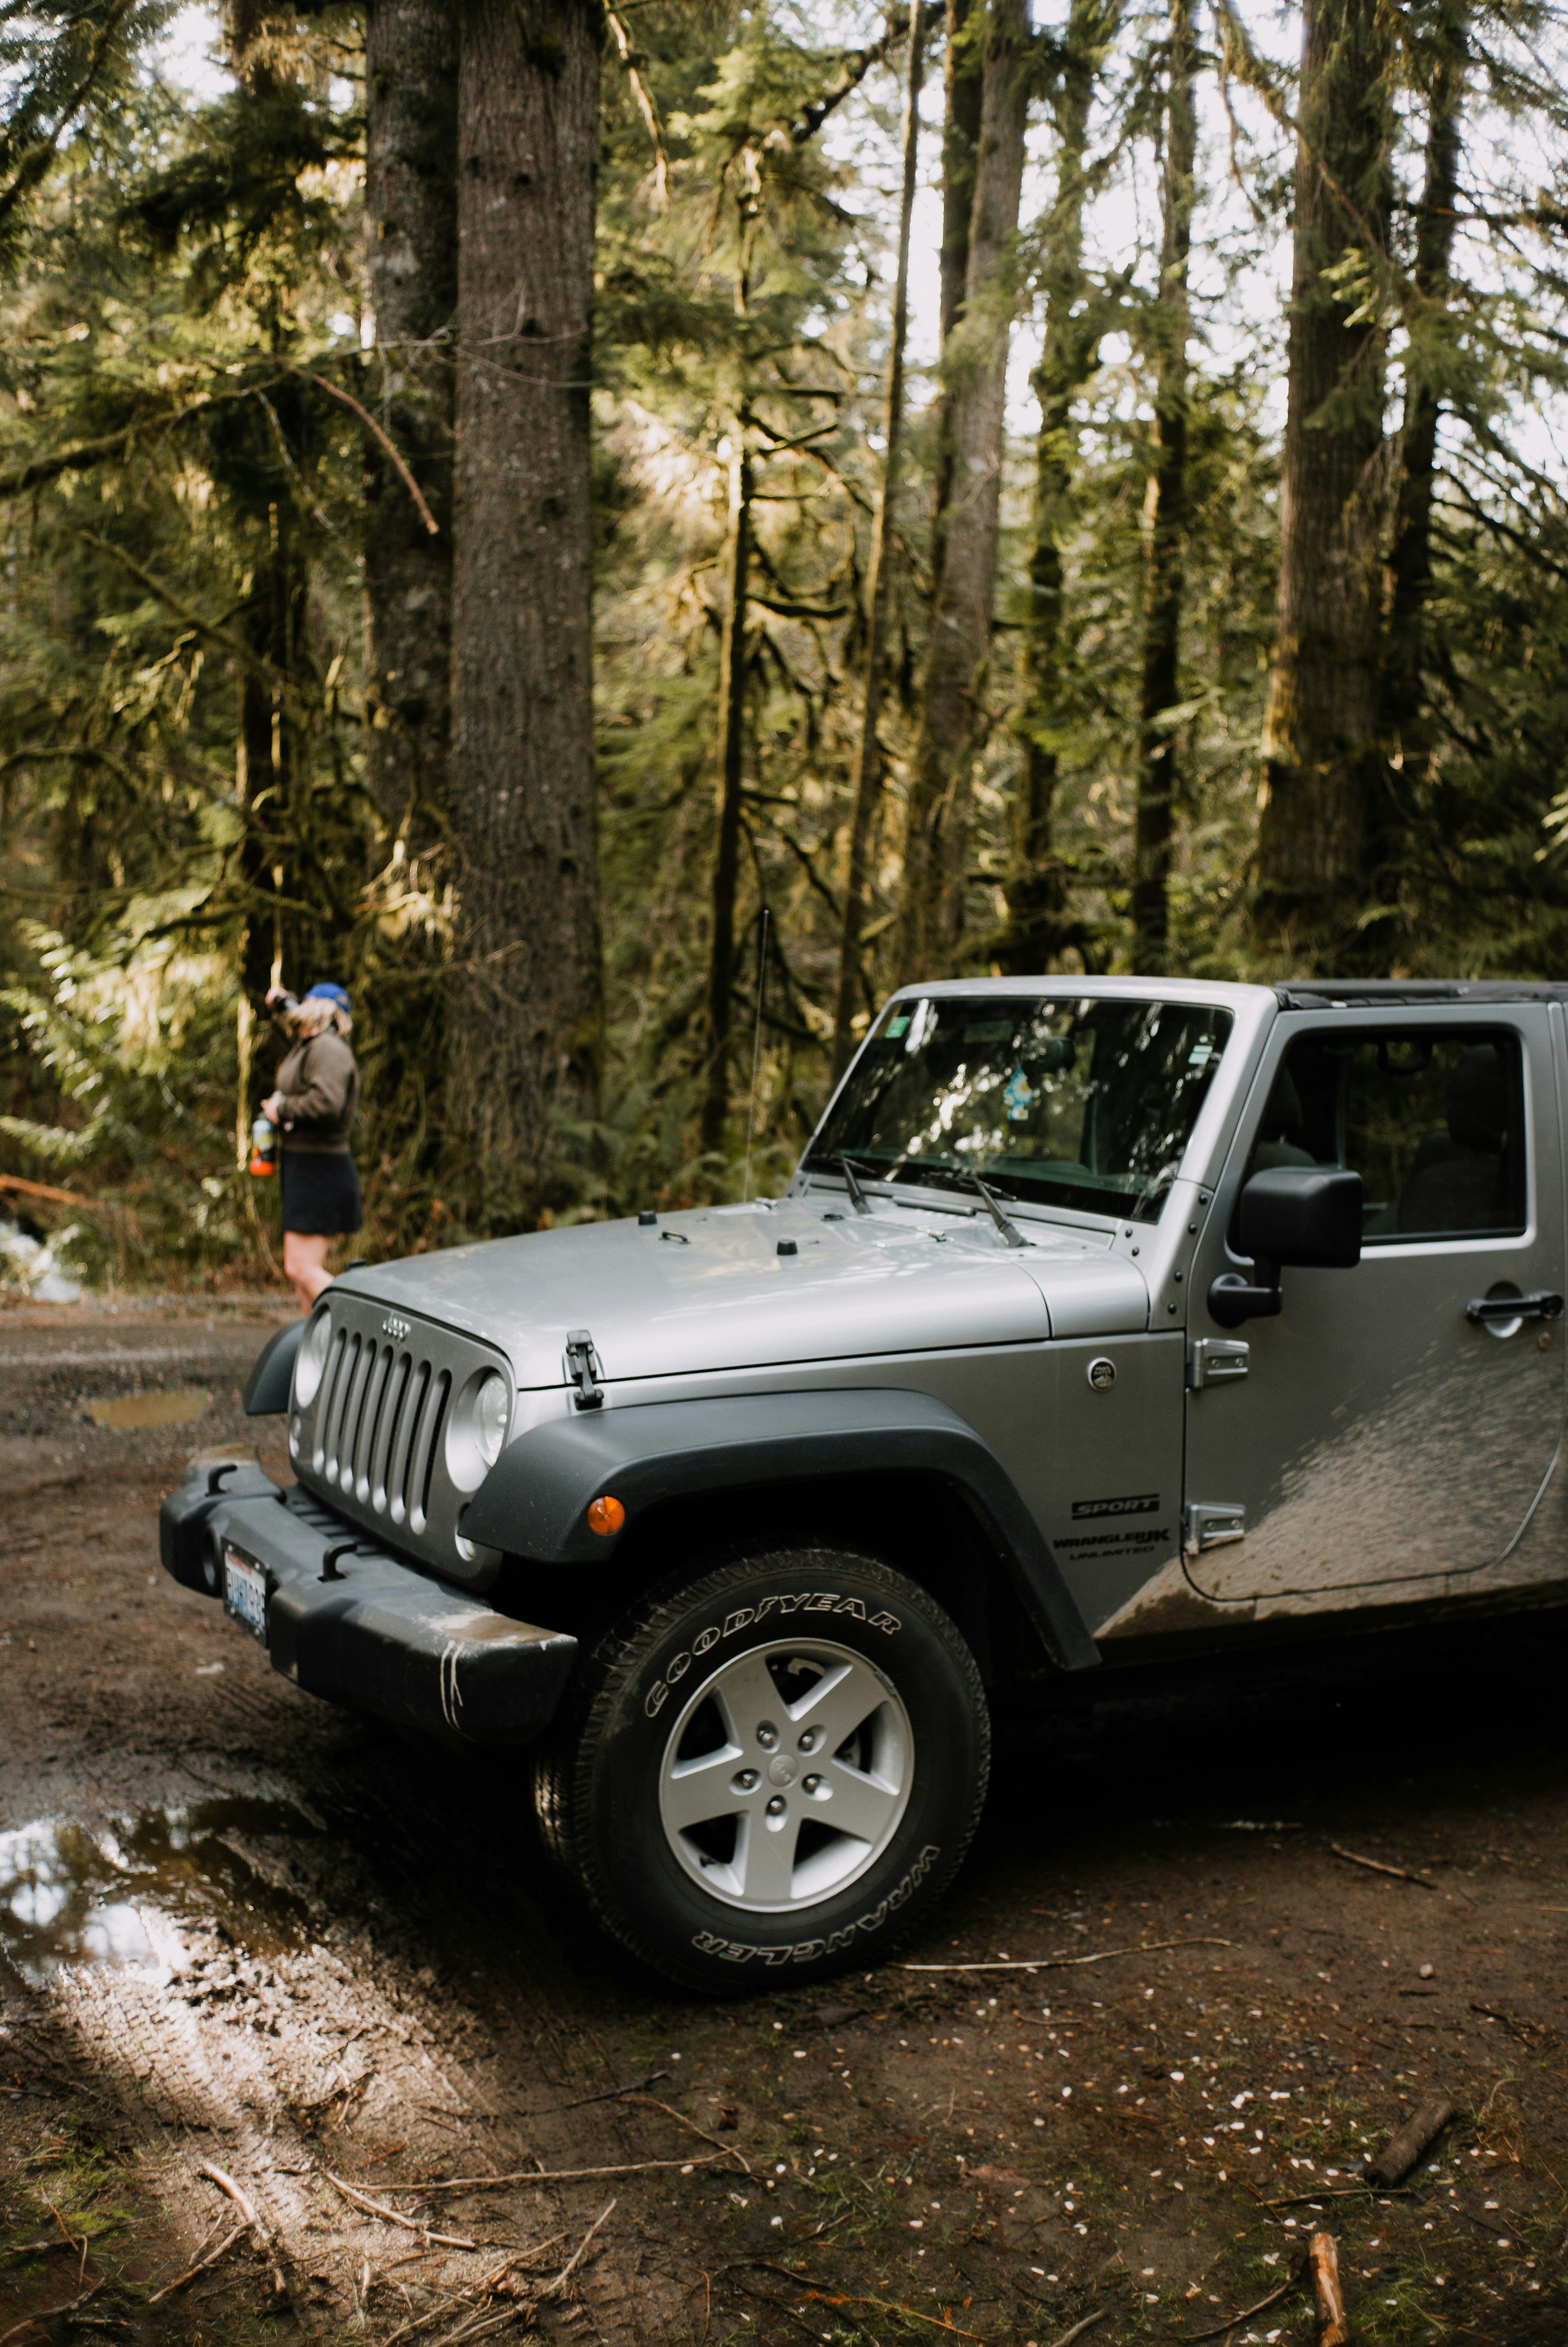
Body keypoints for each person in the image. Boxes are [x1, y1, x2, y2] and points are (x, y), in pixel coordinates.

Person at [261, 981, 362, 1313]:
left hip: (321, 1167)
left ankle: (362, 1319)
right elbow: (291, 1014)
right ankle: (315, 1357)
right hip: (304, 1164)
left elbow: (327, 1103)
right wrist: (281, 1002)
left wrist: (282, 1109)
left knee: (301, 1269)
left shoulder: (328, 1049)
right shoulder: (310, 1045)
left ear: (320, 1009)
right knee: (300, 1273)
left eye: (307, 1005)